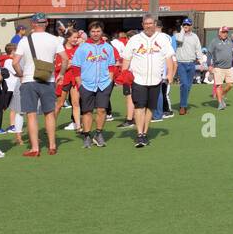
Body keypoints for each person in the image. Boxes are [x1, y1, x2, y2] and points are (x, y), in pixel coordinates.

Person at [121, 14, 176, 149]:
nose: (148, 26)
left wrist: (170, 74)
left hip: (156, 79)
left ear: (154, 24)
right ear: (142, 25)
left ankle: (145, 132)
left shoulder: (162, 38)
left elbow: (169, 57)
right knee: (139, 106)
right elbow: (127, 58)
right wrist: (124, 74)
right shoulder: (135, 39)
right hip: (138, 79)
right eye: (146, 24)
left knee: (150, 108)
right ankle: (139, 134)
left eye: (151, 23)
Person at [14, 13, 65, 157]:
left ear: (33, 24)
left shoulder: (25, 40)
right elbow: (65, 59)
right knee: (49, 113)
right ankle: (52, 145)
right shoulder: (54, 39)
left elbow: (15, 62)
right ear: (46, 23)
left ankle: (35, 148)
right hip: (47, 79)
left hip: (29, 79)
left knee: (31, 115)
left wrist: (21, 74)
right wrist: (60, 74)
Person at [70, 22, 118, 148]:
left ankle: (98, 133)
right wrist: (80, 84)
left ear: (102, 32)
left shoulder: (108, 47)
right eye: (93, 31)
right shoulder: (83, 48)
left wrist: (110, 80)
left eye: (98, 31)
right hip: (86, 84)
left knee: (102, 110)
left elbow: (112, 65)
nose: (95, 34)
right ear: (89, 32)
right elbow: (75, 67)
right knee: (87, 111)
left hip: (104, 83)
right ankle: (86, 135)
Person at [173, 18, 202, 114]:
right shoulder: (178, 35)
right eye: (184, 24)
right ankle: (183, 106)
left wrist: (201, 61)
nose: (186, 26)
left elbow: (198, 49)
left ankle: (183, 104)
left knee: (188, 86)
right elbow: (180, 40)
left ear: (191, 26)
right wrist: (182, 30)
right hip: (181, 63)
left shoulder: (195, 36)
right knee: (184, 84)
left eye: (188, 25)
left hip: (192, 63)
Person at [207, 26, 233, 109]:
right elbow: (209, 53)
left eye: (226, 32)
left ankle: (222, 94)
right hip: (218, 67)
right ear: (219, 33)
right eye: (223, 32)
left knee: (231, 84)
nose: (225, 34)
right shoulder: (214, 41)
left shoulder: (230, 40)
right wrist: (209, 65)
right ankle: (220, 103)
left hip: (229, 67)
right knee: (218, 85)